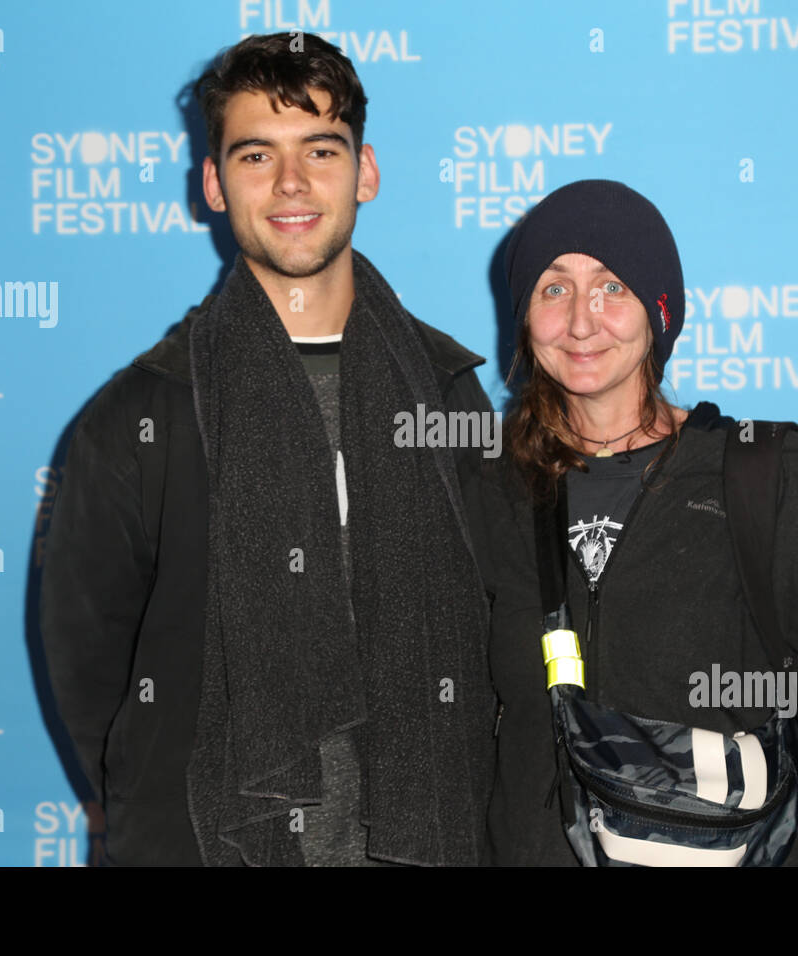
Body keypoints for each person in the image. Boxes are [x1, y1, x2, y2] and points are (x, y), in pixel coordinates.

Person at [39, 32, 496, 867]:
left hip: (426, 840)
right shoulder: (143, 414)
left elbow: (493, 619)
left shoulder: (447, 393)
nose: (292, 184)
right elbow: (87, 662)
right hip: (209, 844)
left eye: (321, 149)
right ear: (213, 184)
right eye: (257, 155)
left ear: (366, 173)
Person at [470, 178, 798, 865]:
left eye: (612, 287)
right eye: (553, 289)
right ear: (525, 318)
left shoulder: (762, 474)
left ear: (661, 312)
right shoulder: (494, 488)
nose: (582, 320)